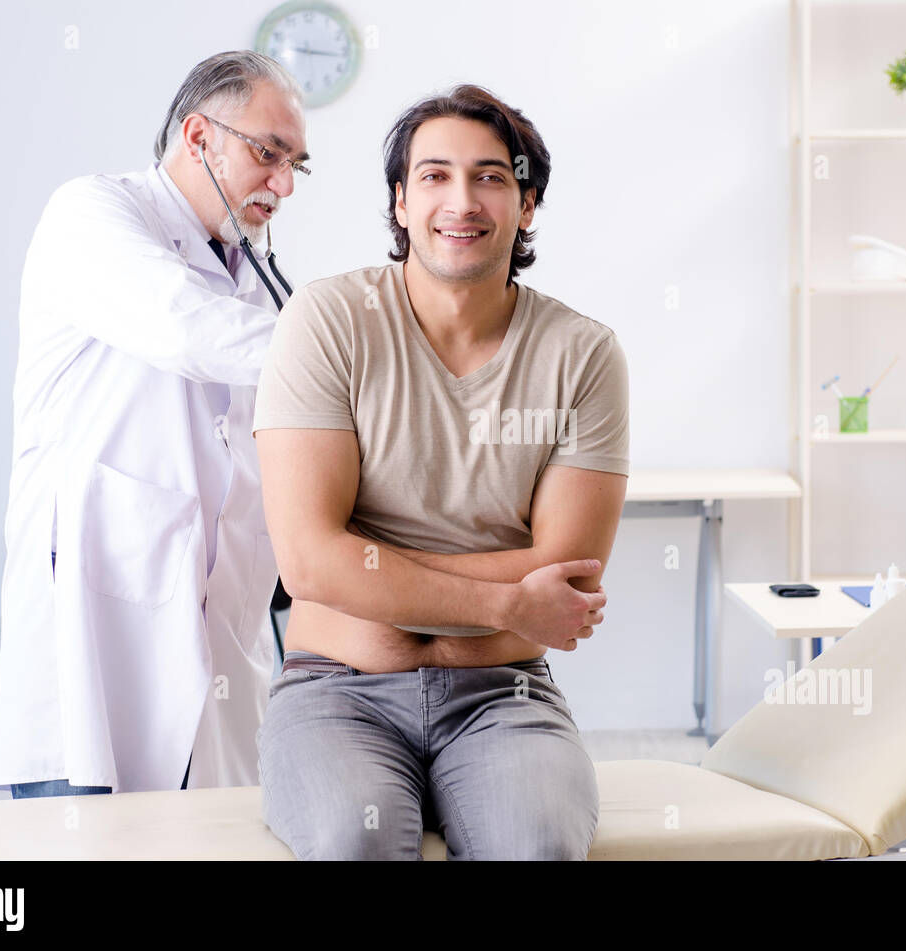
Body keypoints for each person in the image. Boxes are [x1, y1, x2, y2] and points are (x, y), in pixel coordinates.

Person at [253, 84, 630, 859]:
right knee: (348, 841)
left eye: (492, 176)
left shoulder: (583, 353)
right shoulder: (327, 321)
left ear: (528, 205)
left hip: (507, 696)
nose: (463, 199)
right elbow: (307, 561)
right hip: (335, 691)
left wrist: (370, 570)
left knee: (537, 845)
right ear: (399, 202)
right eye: (434, 175)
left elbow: (567, 573)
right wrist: (508, 599)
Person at [0, 51, 309, 797]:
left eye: (297, 165)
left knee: (213, 833)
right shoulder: (92, 212)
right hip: (102, 604)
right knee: (88, 828)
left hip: (218, 618)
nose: (285, 184)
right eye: (269, 153)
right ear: (198, 136)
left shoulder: (252, 278)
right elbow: (184, 329)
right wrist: (368, 357)